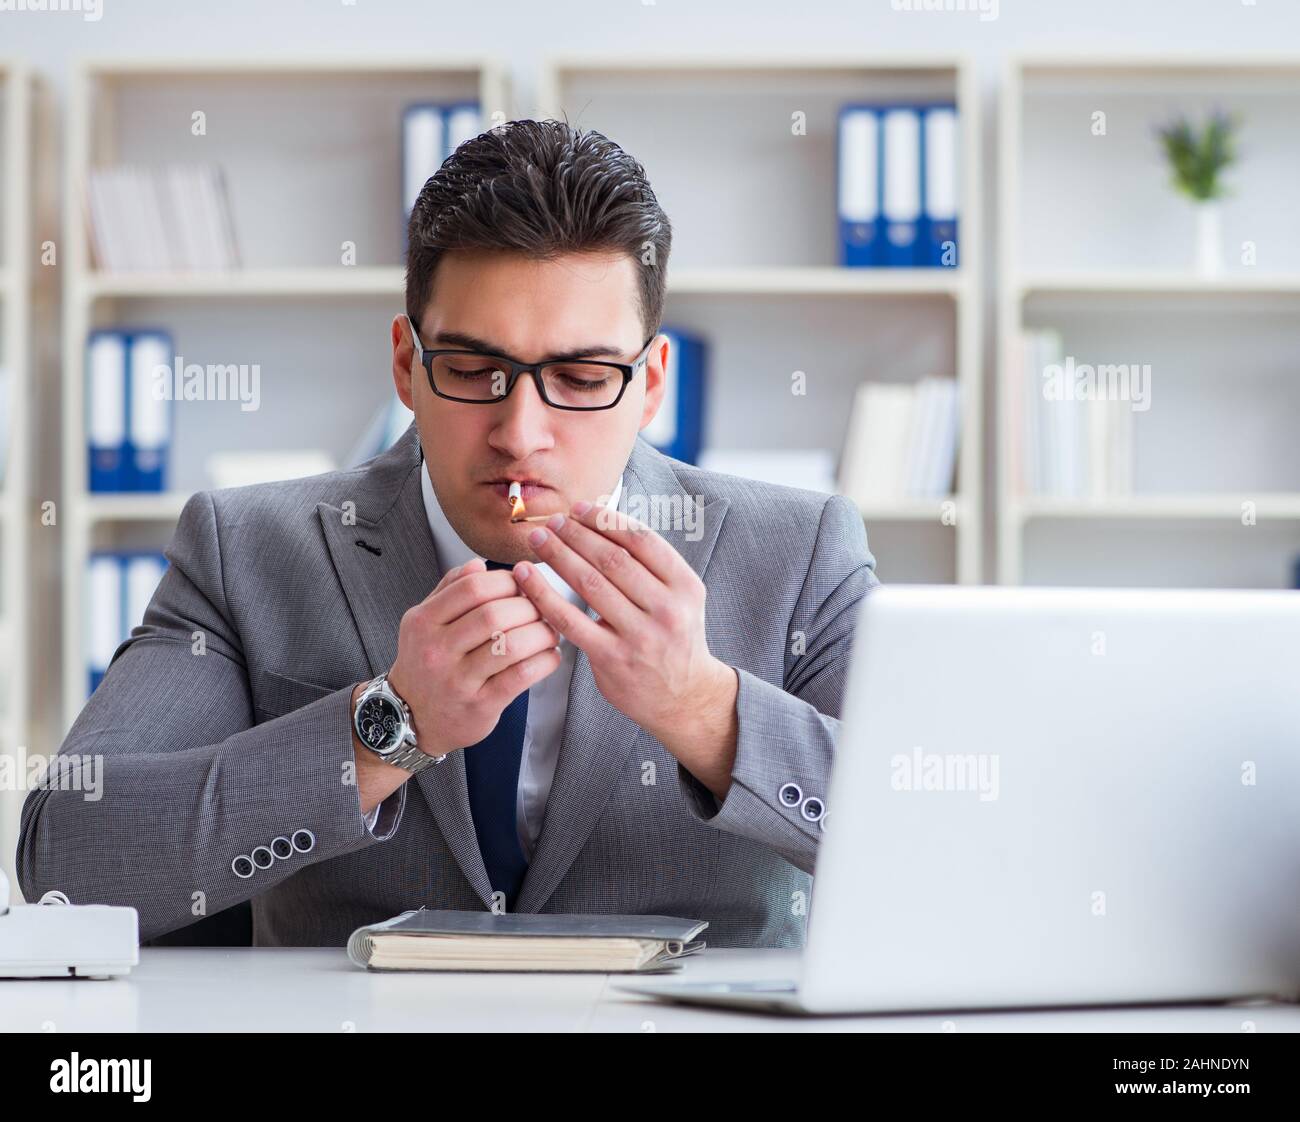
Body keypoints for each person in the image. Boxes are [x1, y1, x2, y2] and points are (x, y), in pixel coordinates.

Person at [18, 119, 878, 947]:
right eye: (474, 371)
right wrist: (387, 726)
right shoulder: (247, 549)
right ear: (406, 364)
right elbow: (68, 858)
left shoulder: (800, 554)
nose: (521, 432)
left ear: (650, 383)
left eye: (581, 378)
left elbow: (936, 841)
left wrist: (704, 710)